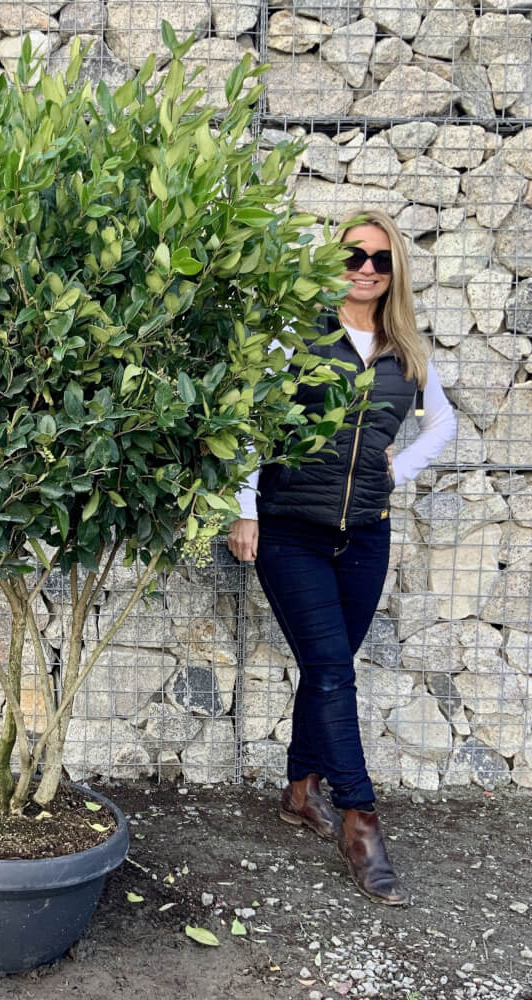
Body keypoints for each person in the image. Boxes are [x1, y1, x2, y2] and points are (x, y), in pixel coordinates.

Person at [227, 209, 456, 905]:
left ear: (394, 275)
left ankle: (302, 787)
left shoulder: (406, 349)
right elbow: (251, 422)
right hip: (291, 528)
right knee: (329, 668)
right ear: (336, 260)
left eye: (380, 260)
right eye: (355, 255)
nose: (366, 268)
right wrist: (244, 509)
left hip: (365, 535)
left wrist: (400, 468)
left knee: (329, 671)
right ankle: (360, 818)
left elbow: (442, 423)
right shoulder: (295, 339)